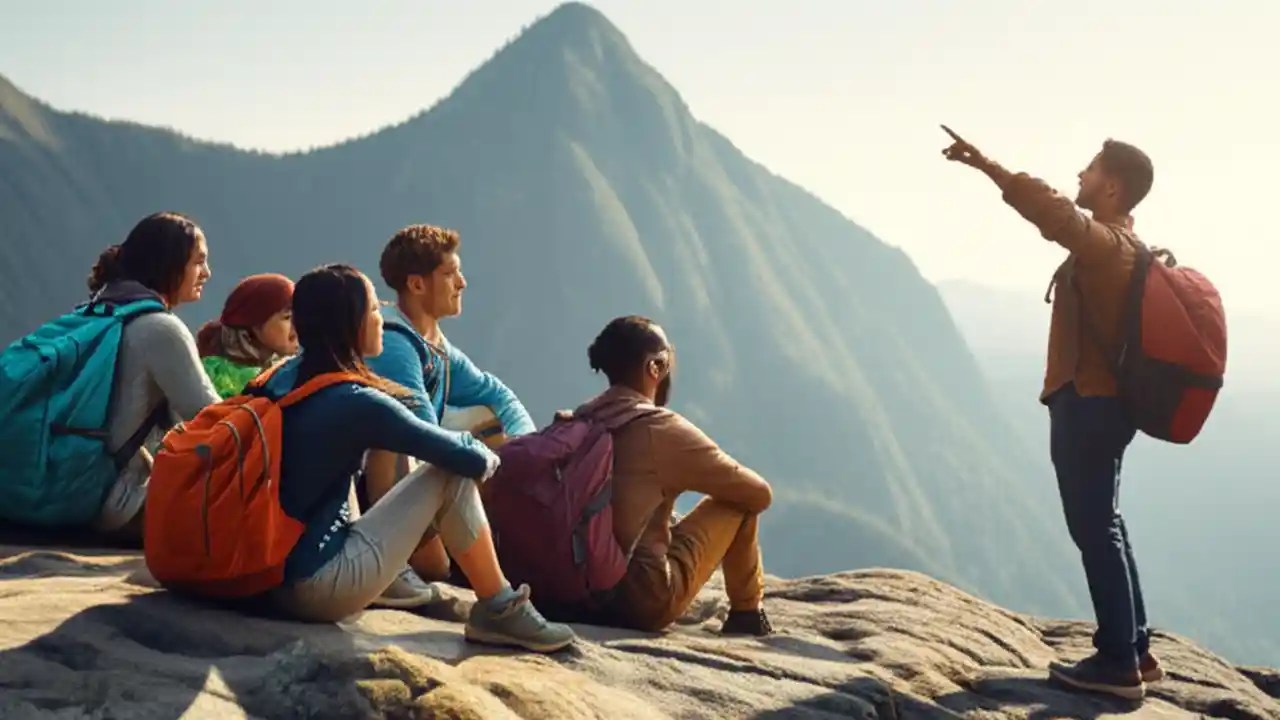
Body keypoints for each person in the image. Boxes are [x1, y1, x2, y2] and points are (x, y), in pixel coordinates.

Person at [941, 126, 1161, 701]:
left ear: (1111, 187)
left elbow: (1054, 214)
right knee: (1107, 522)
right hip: (1105, 404)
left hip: (1086, 405)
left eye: (1090, 170)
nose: (1080, 177)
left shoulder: (1107, 244)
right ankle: (1135, 647)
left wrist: (987, 164)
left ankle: (1117, 662)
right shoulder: (1129, 248)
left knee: (1092, 528)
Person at [259, 263, 574, 652]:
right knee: (449, 475)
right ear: (351, 323)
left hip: (267, 572)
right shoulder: (358, 401)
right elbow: (463, 460)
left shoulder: (278, 379)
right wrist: (491, 450)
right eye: (375, 310)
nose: (383, 319)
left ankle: (394, 580)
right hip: (314, 587)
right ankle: (499, 608)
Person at [362, 224, 536, 606]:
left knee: (486, 416)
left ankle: (481, 545)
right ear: (417, 285)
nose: (462, 282)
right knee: (394, 440)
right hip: (372, 495)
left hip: (421, 481)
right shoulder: (393, 342)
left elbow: (496, 393)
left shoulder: (436, 345)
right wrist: (477, 456)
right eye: (449, 274)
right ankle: (398, 562)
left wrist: (525, 449)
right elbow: (421, 431)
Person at [571, 315, 774, 636]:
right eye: (668, 359)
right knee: (739, 504)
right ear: (654, 367)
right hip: (639, 602)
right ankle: (748, 614)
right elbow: (759, 494)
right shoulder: (661, 429)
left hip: (572, 593)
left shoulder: (578, 419)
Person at [196, 273, 298, 398]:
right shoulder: (211, 377)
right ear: (255, 323)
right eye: (287, 317)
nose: (297, 325)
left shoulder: (286, 372)